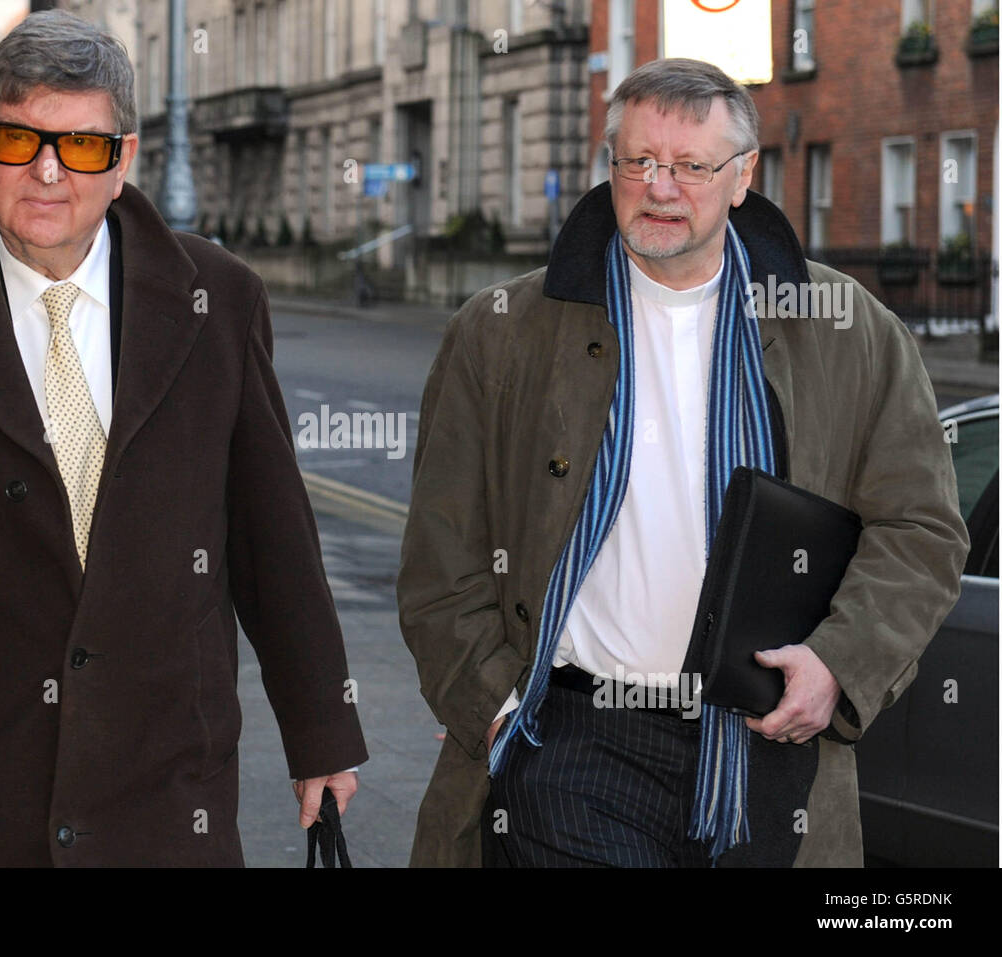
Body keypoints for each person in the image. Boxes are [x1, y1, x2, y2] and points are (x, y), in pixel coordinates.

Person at [0, 10, 366, 866]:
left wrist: (319, 727)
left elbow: (271, 531)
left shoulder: (217, 299)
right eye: (20, 140)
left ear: (123, 160)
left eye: (84, 147)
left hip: (170, 797)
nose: (49, 171)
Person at [397, 57, 968, 867]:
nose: (660, 187)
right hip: (572, 745)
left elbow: (920, 528)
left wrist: (842, 664)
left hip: (767, 748)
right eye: (637, 162)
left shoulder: (851, 332)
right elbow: (440, 551)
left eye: (691, 167)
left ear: (743, 178)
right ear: (612, 166)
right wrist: (493, 709)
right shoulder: (502, 331)